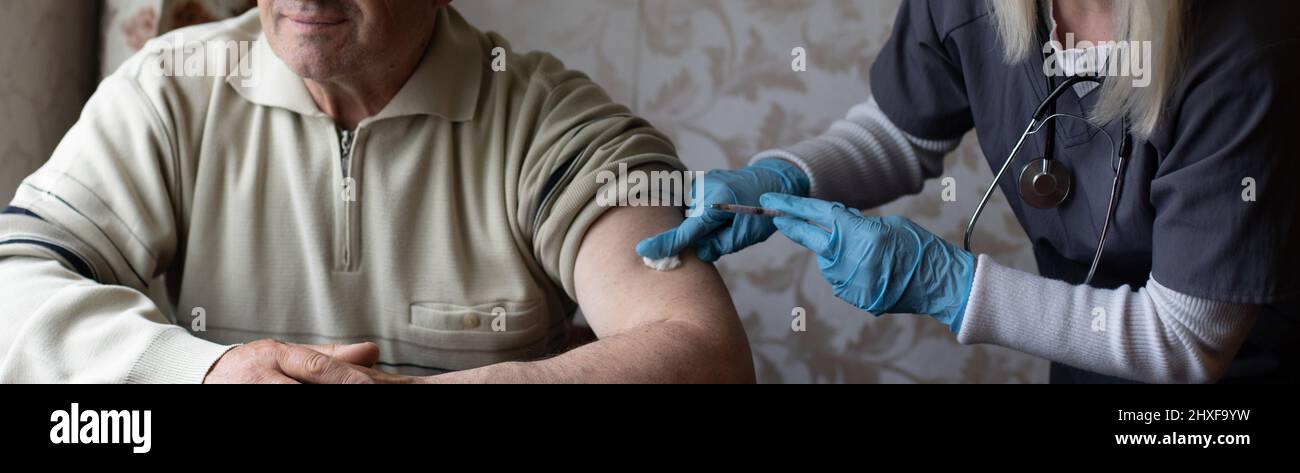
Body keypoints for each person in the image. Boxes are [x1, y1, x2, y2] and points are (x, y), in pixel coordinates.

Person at [0, 0, 754, 384]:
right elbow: (13, 281)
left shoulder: (553, 124)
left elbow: (703, 351)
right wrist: (201, 371)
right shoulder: (169, 90)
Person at [639, 0, 1300, 383]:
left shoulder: (1241, 44)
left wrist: (951, 287)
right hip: (1084, 363)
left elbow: (1188, 336)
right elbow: (904, 131)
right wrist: (788, 173)